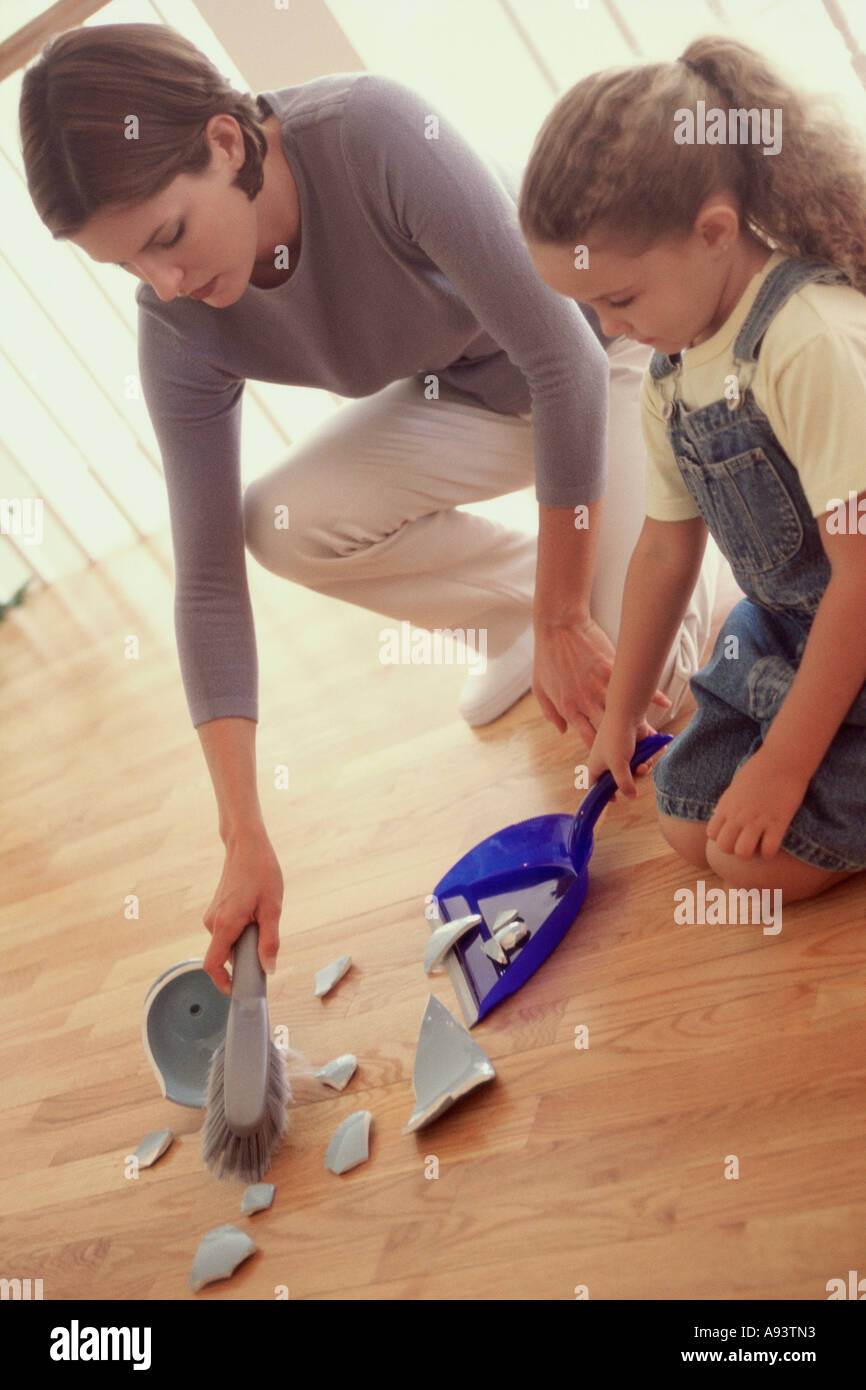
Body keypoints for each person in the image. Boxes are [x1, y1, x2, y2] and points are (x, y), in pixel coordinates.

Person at [19, 23, 717, 988]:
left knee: (660, 698)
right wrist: (243, 834)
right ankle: (533, 624)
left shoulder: (373, 133)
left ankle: (633, 588)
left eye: (168, 236)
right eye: (131, 268)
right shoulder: (178, 326)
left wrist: (572, 615)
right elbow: (210, 586)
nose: (167, 284)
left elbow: (561, 360)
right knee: (279, 521)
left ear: (226, 142)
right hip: (468, 397)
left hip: (605, 361)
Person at [519, 35, 866, 901]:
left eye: (620, 299)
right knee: (684, 817)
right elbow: (666, 553)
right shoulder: (671, 372)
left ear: (714, 232)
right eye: (590, 308)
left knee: (749, 864)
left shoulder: (808, 341)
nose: (607, 329)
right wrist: (625, 711)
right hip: (790, 635)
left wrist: (785, 766)